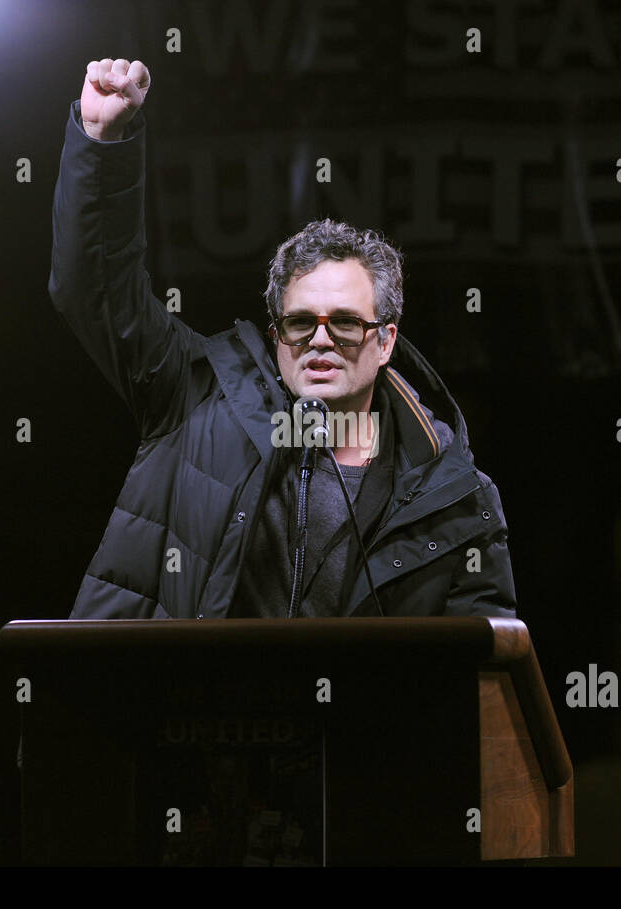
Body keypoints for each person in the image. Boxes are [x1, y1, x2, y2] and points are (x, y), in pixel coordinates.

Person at [50, 57, 517, 620]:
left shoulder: (455, 495)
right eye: (301, 323)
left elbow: (481, 677)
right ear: (276, 336)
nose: (321, 340)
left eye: (345, 323)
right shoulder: (198, 399)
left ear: (386, 341)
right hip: (197, 707)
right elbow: (94, 291)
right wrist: (103, 143)